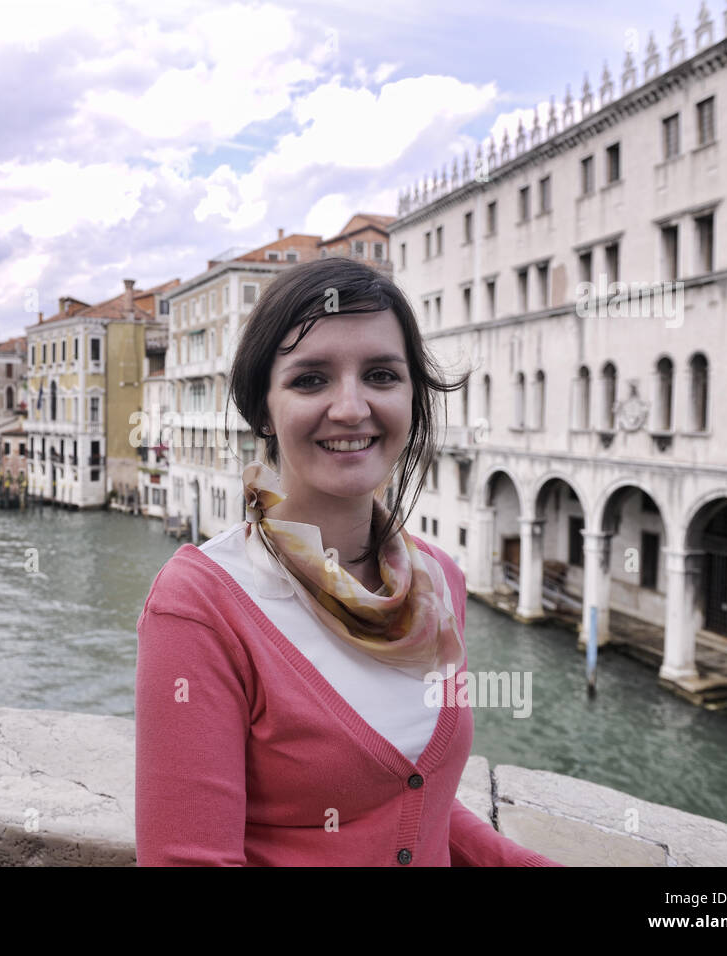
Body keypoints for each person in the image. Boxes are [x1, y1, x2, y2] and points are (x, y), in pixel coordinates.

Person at [135, 258, 562, 867]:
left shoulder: (439, 582)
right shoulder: (199, 607)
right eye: (311, 380)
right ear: (263, 409)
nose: (351, 408)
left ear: (412, 396)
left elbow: (419, 794)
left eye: (382, 375)